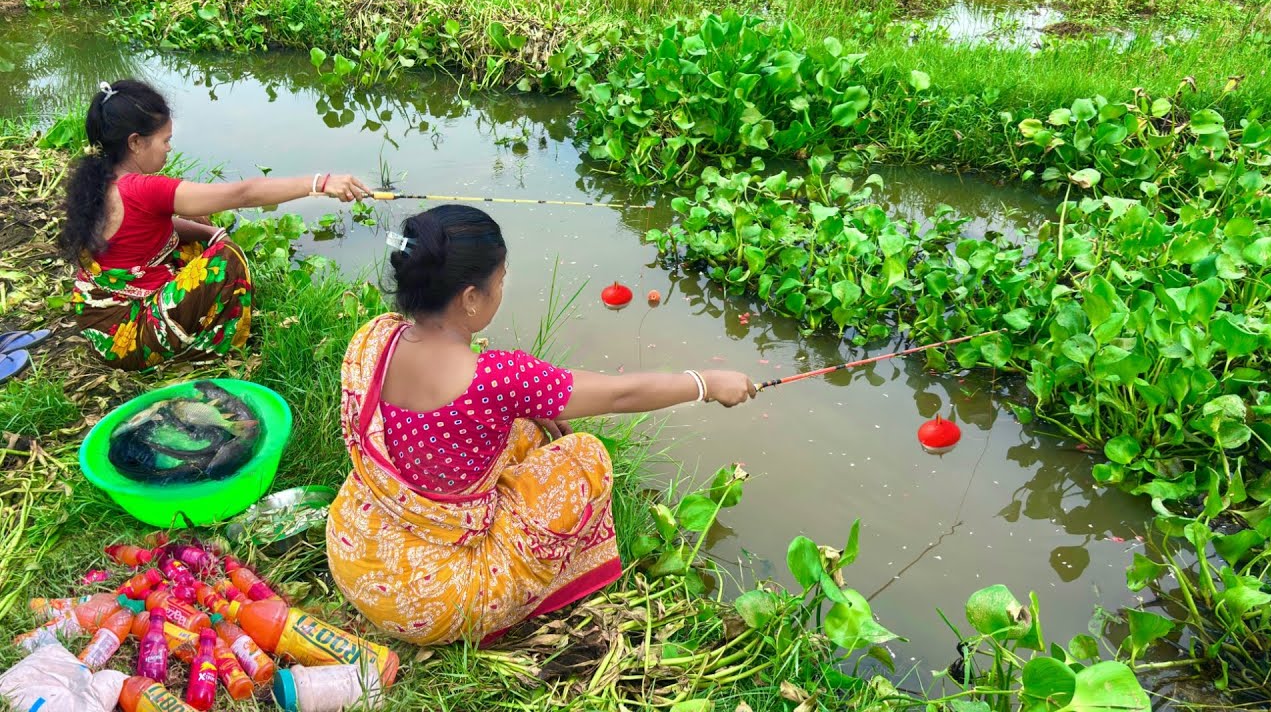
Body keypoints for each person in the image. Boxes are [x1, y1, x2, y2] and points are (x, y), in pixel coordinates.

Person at [328, 205, 756, 646]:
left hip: (356, 555)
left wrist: (523, 405)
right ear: (471, 298)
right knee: (585, 456)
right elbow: (619, 394)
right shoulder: (497, 378)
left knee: (524, 430)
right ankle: (523, 589)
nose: (502, 289)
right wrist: (706, 383)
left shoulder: (375, 338)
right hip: (432, 602)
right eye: (500, 280)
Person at [59, 79, 372, 371]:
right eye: (165, 140)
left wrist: (211, 232)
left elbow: (146, 230)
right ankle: (212, 346)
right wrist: (320, 183)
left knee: (198, 236)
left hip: (101, 321)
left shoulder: (100, 179)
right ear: (136, 142)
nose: (169, 148)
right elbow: (243, 194)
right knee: (226, 259)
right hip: (129, 339)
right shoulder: (143, 189)